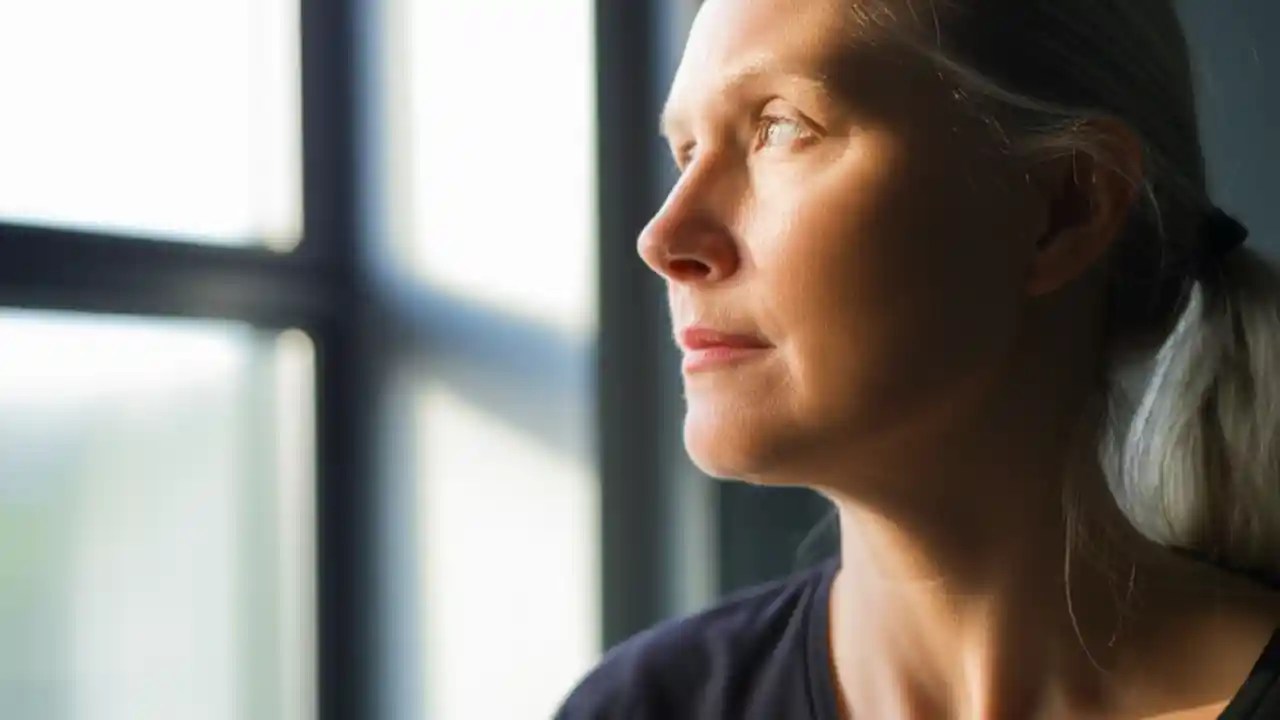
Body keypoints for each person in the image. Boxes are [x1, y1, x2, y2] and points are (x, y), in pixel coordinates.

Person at [557, 0, 1280, 718]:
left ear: (1065, 207)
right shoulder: (640, 708)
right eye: (685, 151)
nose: (664, 238)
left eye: (779, 128)